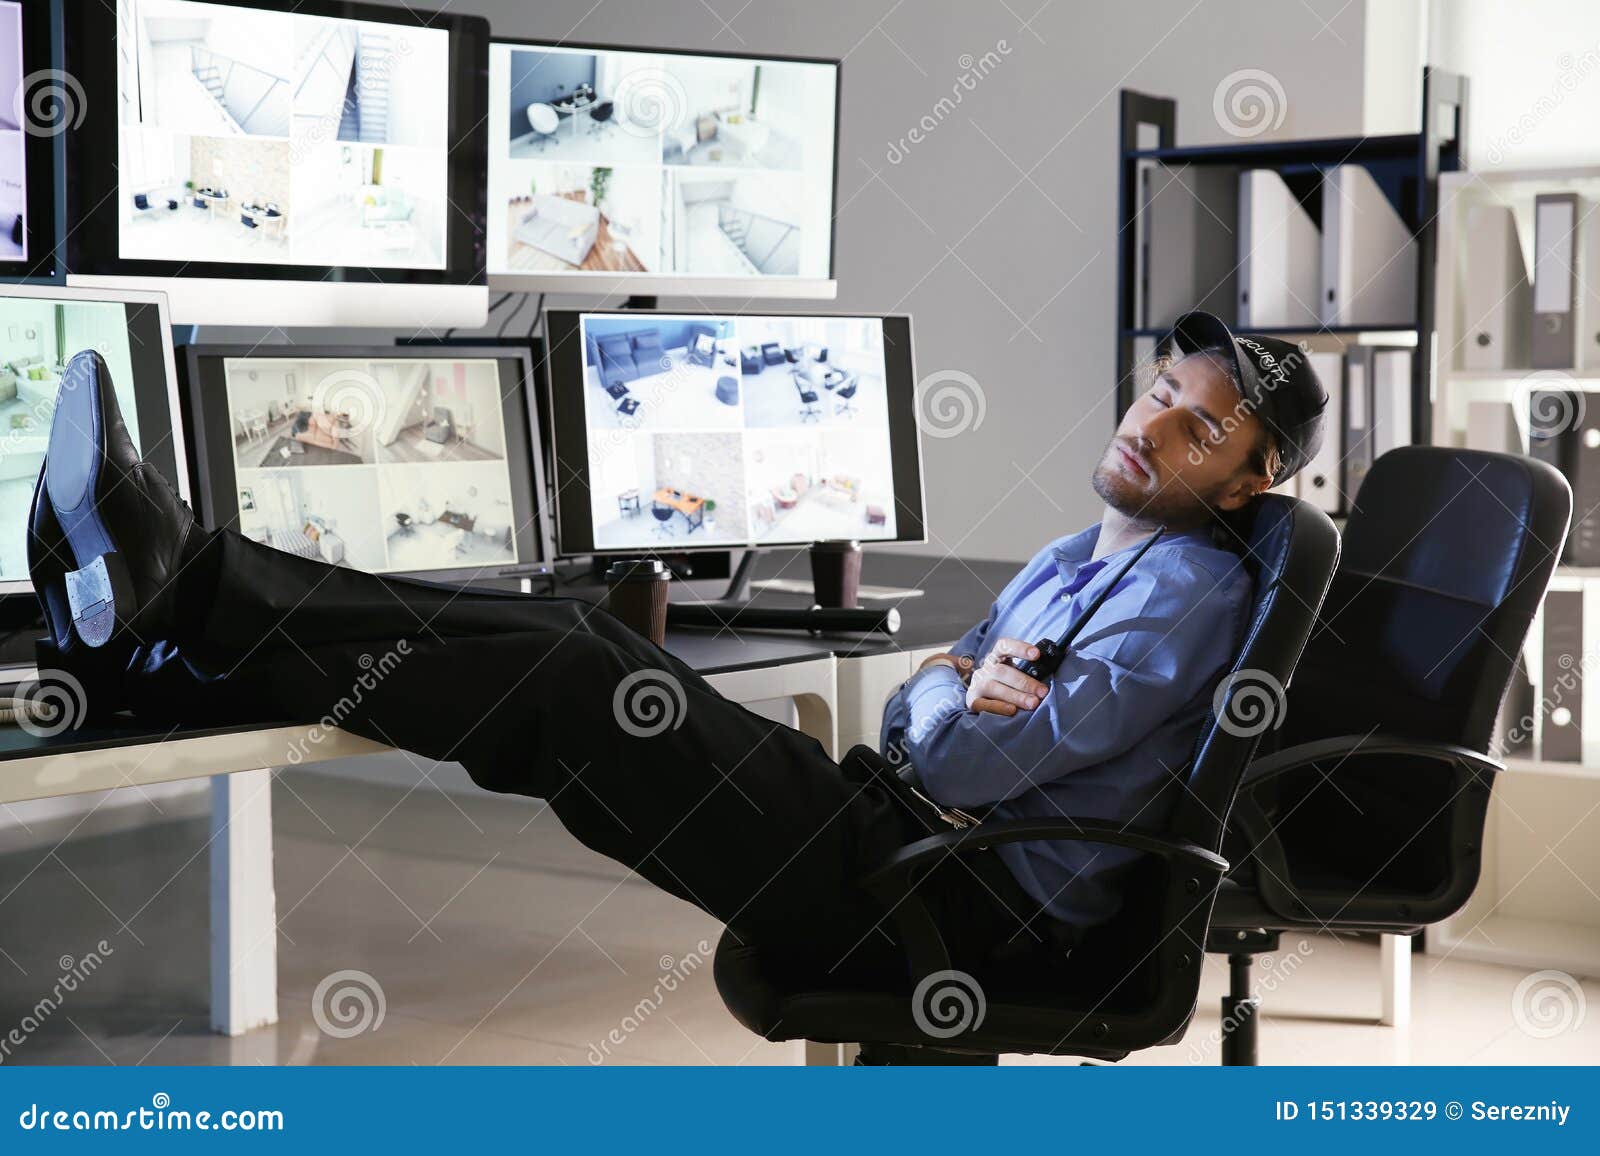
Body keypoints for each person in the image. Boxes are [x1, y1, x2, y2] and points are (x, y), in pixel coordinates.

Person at [25, 310, 1325, 1004]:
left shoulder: (1187, 592)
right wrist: (951, 690)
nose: (1159, 426)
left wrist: (952, 703)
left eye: (1203, 430)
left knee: (580, 682)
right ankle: (179, 622)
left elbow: (982, 750)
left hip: (952, 893)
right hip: (905, 834)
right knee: (584, 646)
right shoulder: (1075, 556)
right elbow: (955, 697)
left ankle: (186, 592)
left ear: (1249, 479)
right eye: (1164, 391)